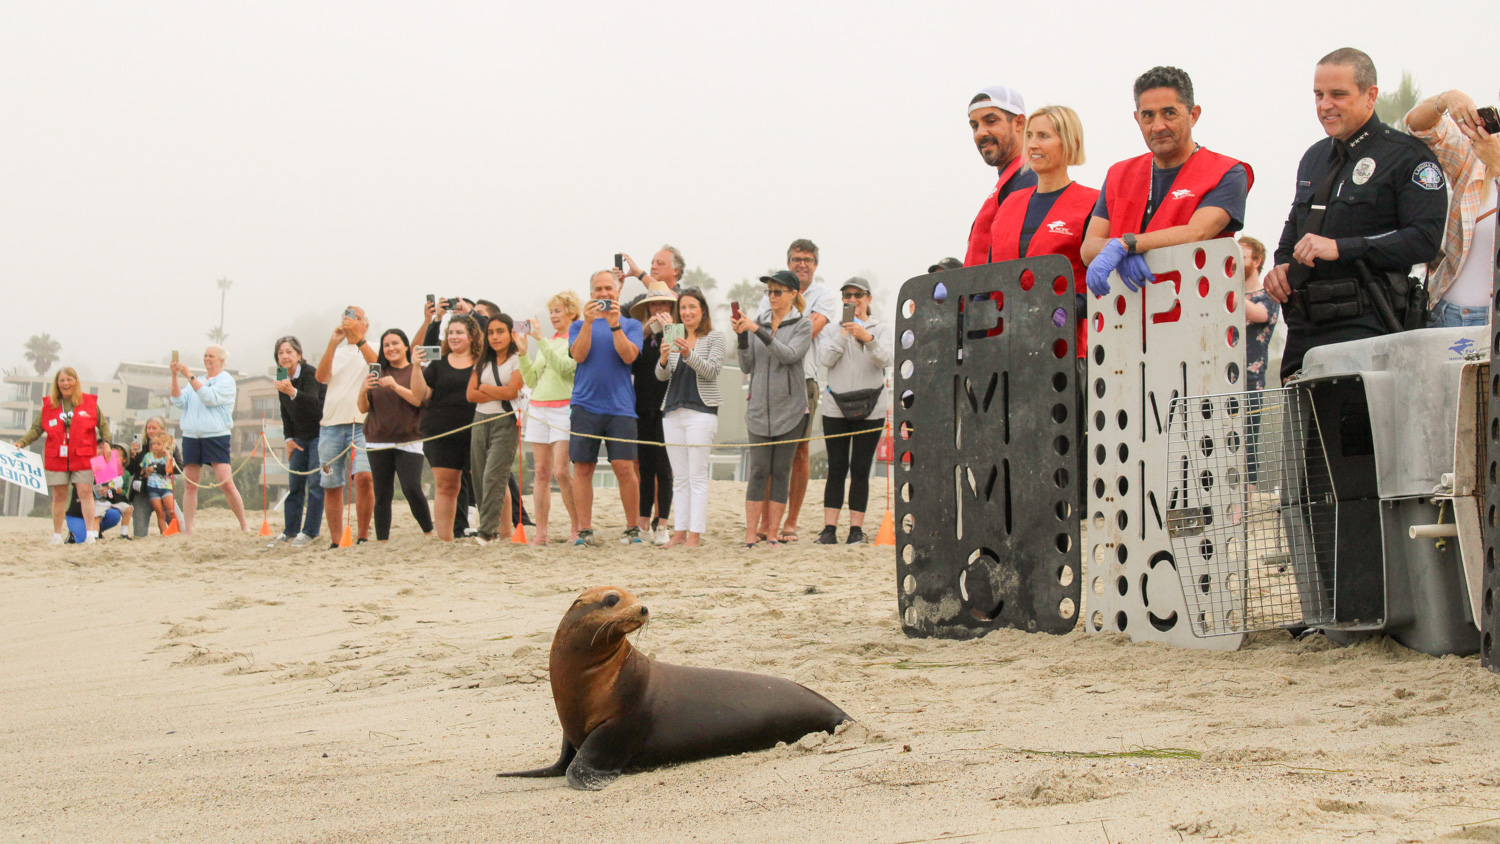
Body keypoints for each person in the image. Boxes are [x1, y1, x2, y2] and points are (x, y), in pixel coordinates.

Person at [1263, 48, 1446, 378]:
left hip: (1365, 327)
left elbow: (1425, 241)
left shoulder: (1407, 157)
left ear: (1370, 95)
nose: (1324, 105)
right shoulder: (1314, 158)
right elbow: (1293, 231)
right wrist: (1279, 268)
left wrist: (1342, 248)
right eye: (1318, 95)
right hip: (1303, 329)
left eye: (1337, 94)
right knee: (1303, 431)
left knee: (1356, 429)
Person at [1082, 66, 1252, 295]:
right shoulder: (1119, 174)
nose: (1158, 126)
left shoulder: (1227, 172)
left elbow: (1197, 233)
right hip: (1124, 320)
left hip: (1195, 317)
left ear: (1193, 115)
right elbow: (1089, 248)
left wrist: (1125, 245)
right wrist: (1118, 250)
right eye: (1148, 115)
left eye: (1169, 113)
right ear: (1137, 118)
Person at [990, 105, 1099, 357]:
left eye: (1043, 136)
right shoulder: (1008, 204)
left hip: (1063, 350)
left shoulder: (1092, 204)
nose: (1032, 145)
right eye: (1029, 136)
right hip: (1005, 349)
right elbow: (988, 277)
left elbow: (1103, 287)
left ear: (1070, 142)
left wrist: (1063, 308)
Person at [755, 239, 837, 543]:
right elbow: (764, 331)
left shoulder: (825, 296)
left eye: (808, 259)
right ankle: (765, 521)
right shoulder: (771, 294)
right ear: (788, 262)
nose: (802, 263)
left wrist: (780, 329)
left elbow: (806, 333)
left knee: (800, 452)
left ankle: (791, 521)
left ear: (816, 264)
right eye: (796, 258)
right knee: (767, 453)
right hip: (769, 378)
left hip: (805, 378)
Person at [1404, 88, 1499, 328]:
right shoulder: (1477, 156)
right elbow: (1420, 128)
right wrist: (1445, 99)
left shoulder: (1491, 156)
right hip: (1449, 315)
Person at [734, 270, 813, 548]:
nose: (772, 297)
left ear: (793, 294)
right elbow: (746, 366)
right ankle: (750, 533)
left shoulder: (802, 325)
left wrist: (759, 332)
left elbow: (789, 355)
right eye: (769, 292)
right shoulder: (757, 324)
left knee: (781, 470)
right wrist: (743, 337)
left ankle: (772, 533)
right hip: (758, 410)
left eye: (778, 292)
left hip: (790, 411)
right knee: (757, 471)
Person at [568, 270, 644, 546]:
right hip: (585, 405)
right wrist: (588, 323)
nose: (603, 294)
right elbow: (579, 355)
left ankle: (633, 528)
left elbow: (629, 356)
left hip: (621, 407)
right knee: (583, 468)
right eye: (598, 289)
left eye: (608, 289)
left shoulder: (631, 324)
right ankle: (584, 530)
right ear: (590, 293)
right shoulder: (577, 326)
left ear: (617, 291)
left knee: (624, 467)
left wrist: (614, 325)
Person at [816, 278, 893, 545]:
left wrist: (867, 338)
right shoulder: (831, 330)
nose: (852, 300)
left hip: (871, 406)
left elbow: (887, 359)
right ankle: (829, 529)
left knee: (861, 468)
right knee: (836, 467)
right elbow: (824, 360)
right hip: (835, 405)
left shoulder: (880, 328)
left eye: (858, 295)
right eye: (847, 296)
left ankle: (856, 530)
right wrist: (844, 334)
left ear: (868, 298)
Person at [654, 287, 725, 549]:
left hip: (701, 412)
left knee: (697, 476)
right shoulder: (674, 336)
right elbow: (662, 376)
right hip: (672, 411)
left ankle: (695, 534)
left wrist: (688, 354)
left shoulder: (715, 337)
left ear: (702, 310)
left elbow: (712, 371)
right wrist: (663, 358)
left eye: (692, 307)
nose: (687, 312)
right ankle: (680, 532)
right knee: (680, 477)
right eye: (682, 308)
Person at [13, 367, 111, 544]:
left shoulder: (89, 402)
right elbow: (36, 429)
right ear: (57, 384)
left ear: (76, 381)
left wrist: (107, 444)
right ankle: (57, 534)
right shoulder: (49, 405)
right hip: (57, 456)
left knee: (85, 492)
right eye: (62, 380)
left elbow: (103, 425)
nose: (65, 383)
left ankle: (90, 534)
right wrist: (22, 442)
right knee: (59, 495)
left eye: (69, 379)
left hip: (82, 455)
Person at [358, 329, 434, 542]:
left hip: (409, 438)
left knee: (411, 488)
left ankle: (429, 532)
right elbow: (363, 408)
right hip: (377, 439)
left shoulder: (416, 370)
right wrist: (362, 390)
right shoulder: (377, 372)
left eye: (395, 343)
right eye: (386, 345)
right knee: (382, 493)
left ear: (406, 346)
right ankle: (382, 540)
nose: (391, 348)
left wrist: (395, 385)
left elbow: (419, 401)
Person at [518, 291, 582, 545]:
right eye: (551, 311)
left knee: (561, 471)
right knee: (541, 473)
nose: (553, 315)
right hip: (538, 408)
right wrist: (524, 353)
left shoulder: (575, 339)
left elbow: (565, 368)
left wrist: (541, 341)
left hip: (563, 409)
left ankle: (577, 527)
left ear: (571, 312)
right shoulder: (548, 342)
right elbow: (532, 380)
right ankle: (541, 533)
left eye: (558, 311)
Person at [169, 345, 248, 534]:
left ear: (221, 359)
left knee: (226, 482)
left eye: (211, 356)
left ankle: (244, 524)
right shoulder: (197, 380)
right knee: (190, 483)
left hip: (216, 435)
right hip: (191, 435)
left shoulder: (226, 380)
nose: (207, 359)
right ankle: (188, 528)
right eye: (205, 355)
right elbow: (179, 401)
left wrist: (189, 375)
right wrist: (174, 377)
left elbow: (209, 398)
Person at [315, 308, 377, 548]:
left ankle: (362, 535)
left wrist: (358, 339)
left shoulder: (373, 345)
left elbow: (377, 364)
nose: (351, 322)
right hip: (331, 424)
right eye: (348, 318)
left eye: (357, 318)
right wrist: (333, 343)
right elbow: (321, 378)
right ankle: (336, 540)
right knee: (331, 483)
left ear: (366, 325)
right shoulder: (337, 352)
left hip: (362, 424)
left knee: (364, 477)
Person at [418, 312, 481, 542]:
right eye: (451, 333)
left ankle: (501, 534)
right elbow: (421, 395)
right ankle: (444, 539)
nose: (454, 337)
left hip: (477, 431)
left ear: (472, 336)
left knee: (487, 483)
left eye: (459, 332)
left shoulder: (483, 363)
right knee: (446, 486)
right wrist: (416, 368)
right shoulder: (438, 364)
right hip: (440, 432)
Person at [964, 85, 1039, 267]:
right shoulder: (1011, 179)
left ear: (1019, 123)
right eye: (975, 126)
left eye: (990, 121)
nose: (980, 133)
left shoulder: (1029, 178)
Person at [467, 313, 524, 544]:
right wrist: (490, 389)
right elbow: (471, 394)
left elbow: (512, 392)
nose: (495, 337)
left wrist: (484, 387)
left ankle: (486, 531)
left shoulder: (517, 359)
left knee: (494, 476)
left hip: (505, 421)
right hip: (480, 421)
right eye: (490, 332)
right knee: (479, 477)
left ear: (511, 333)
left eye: (500, 331)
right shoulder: (483, 361)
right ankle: (488, 527)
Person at [630, 281, 678, 545]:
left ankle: (663, 524)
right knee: (644, 467)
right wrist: (645, 332)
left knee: (664, 467)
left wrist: (669, 329)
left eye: (663, 303)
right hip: (641, 406)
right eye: (654, 304)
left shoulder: (677, 331)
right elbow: (631, 364)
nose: (659, 308)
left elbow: (674, 366)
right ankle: (643, 523)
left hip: (667, 407)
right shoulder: (640, 334)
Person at [271, 336, 325, 547]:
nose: (284, 356)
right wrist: (288, 438)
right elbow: (285, 411)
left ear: (299, 355)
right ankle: (289, 531)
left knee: (314, 485)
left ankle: (310, 531)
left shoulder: (310, 373)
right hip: (298, 437)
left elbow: (314, 403)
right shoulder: (282, 374)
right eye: (280, 353)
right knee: (294, 485)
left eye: (289, 352)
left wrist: (292, 391)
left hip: (319, 433)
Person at [1239, 236, 1280, 488]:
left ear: (1257, 261)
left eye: (1241, 257)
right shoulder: (1226, 296)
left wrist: (1226, 288)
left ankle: (1246, 502)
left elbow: (1259, 314)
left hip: (1251, 380)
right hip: (1222, 378)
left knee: (1248, 443)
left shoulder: (1268, 296)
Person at [125, 416, 183, 537]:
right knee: (140, 534)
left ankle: (173, 533)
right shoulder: (142, 446)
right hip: (142, 491)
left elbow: (179, 468)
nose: (150, 431)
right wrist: (132, 456)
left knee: (180, 524)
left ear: (162, 429)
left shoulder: (170, 446)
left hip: (164, 489)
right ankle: (163, 532)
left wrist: (155, 468)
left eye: (154, 428)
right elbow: (130, 471)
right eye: (148, 428)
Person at [65, 444, 131, 542]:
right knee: (83, 538)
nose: (102, 452)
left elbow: (113, 488)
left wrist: (107, 489)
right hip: (77, 514)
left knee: (114, 515)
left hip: (97, 507)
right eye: (99, 448)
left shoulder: (110, 469)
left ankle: (97, 531)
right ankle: (73, 534)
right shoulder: (87, 466)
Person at [141, 433, 179, 534]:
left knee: (171, 511)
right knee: (160, 513)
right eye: (153, 444)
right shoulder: (148, 456)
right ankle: (164, 532)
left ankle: (177, 530)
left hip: (166, 487)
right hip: (153, 488)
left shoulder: (168, 458)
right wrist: (145, 472)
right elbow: (143, 469)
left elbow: (168, 470)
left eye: (158, 444)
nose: (155, 446)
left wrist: (167, 455)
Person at [619, 244, 688, 295]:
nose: (653, 267)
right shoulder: (642, 299)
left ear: (676, 271)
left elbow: (673, 298)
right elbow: (614, 313)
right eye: (652, 263)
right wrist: (617, 288)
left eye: (660, 263)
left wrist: (639, 274)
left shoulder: (686, 296)